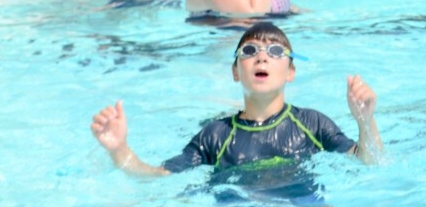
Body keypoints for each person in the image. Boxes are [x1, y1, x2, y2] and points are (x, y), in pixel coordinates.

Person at [91, 23, 382, 182]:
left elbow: (370, 163)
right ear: (235, 71)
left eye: (276, 51)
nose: (262, 56)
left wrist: (366, 122)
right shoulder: (215, 136)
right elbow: (158, 178)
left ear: (291, 72)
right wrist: (120, 150)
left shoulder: (311, 124)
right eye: (250, 50)